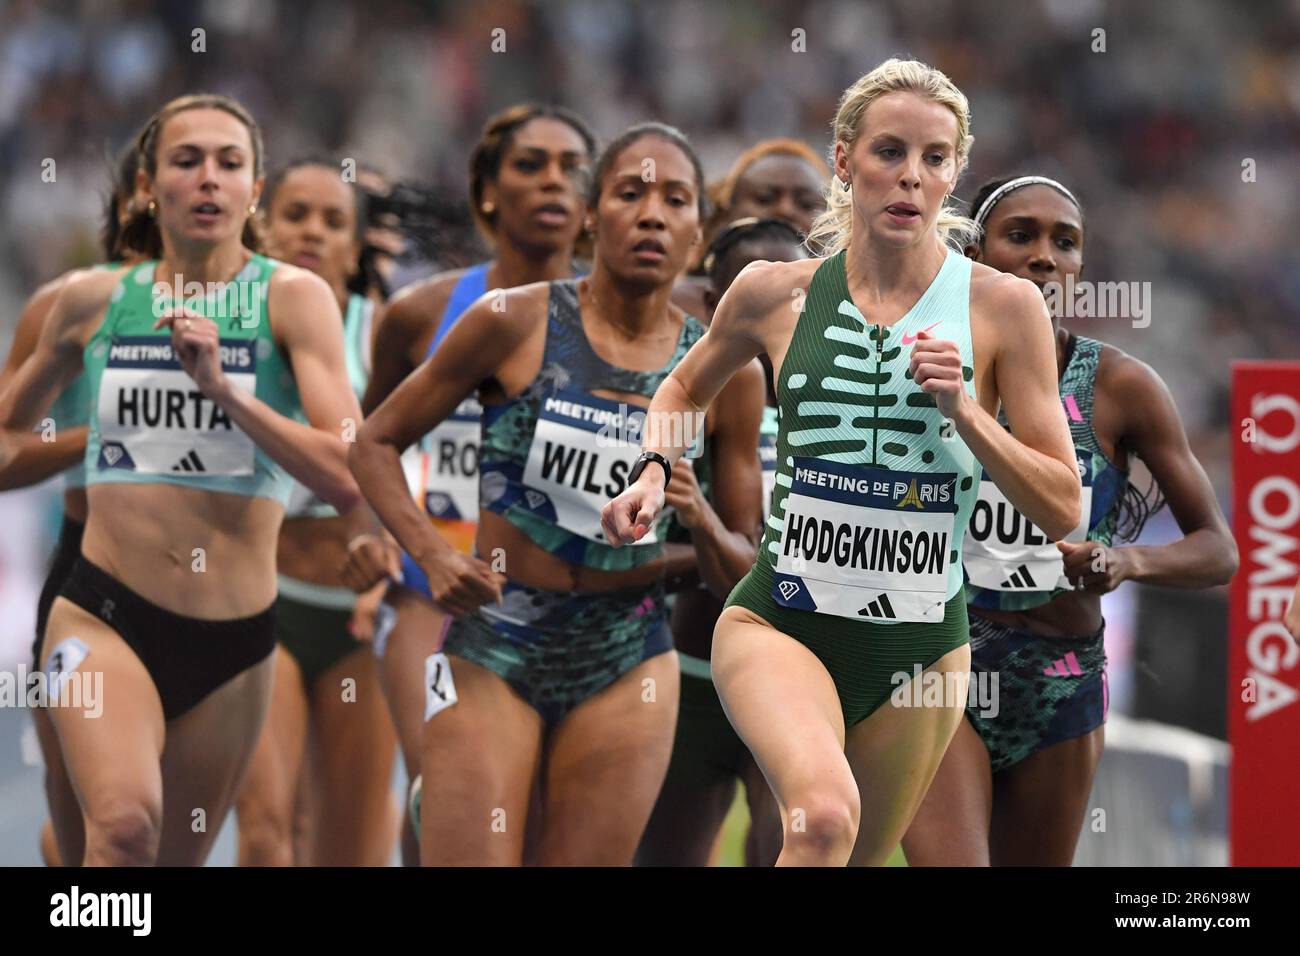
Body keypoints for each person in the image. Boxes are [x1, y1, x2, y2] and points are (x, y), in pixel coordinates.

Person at [602, 59, 1082, 867]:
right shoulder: (771, 291)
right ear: (844, 157)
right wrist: (653, 468)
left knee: (850, 857)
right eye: (889, 152)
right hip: (779, 623)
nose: (910, 178)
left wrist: (965, 411)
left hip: (924, 652)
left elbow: (1062, 505)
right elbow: (684, 385)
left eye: (934, 159)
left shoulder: (1004, 308)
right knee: (821, 821)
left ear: (955, 172)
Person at [352, 121, 764, 865]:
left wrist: (697, 516)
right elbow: (372, 442)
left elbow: (745, 569)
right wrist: (430, 556)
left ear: (698, 230)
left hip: (628, 656)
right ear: (590, 212)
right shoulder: (513, 321)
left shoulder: (725, 370)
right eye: (629, 193)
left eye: (675, 200)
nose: (652, 214)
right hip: (496, 639)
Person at [0, 93, 362, 866]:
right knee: (124, 831)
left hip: (233, 641)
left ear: (253, 190)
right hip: (101, 611)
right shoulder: (88, 303)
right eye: (187, 161)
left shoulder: (294, 300)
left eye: (230, 164)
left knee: (161, 865)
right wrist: (99, 432)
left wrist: (226, 392)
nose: (208, 179)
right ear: (146, 186)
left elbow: (346, 473)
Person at [902, 174, 1238, 866]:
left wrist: (1127, 559)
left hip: (1060, 678)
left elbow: (1218, 550)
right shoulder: (922, 365)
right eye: (1020, 236)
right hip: (939, 666)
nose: (1045, 257)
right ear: (974, 253)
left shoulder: (1122, 387)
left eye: (1066, 242)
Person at [347, 103, 596, 865]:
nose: (552, 182)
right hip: (436, 590)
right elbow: (370, 440)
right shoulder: (422, 315)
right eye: (529, 165)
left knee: (541, 820)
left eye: (571, 168)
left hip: (573, 604)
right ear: (486, 193)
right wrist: (369, 534)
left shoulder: (622, 320)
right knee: (448, 792)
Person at [234, 158, 398, 866]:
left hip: (361, 615)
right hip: (261, 602)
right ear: (262, 226)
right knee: (269, 830)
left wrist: (398, 562)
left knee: (349, 846)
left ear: (357, 246)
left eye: (334, 221)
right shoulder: (227, 329)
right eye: (295, 213)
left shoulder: (385, 332)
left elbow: (415, 464)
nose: (312, 231)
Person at [637, 217, 806, 867]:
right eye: (746, 284)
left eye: (791, 292)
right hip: (693, 665)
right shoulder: (686, 393)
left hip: (797, 670)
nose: (769, 304)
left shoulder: (841, 402)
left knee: (784, 844)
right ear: (714, 302)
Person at [0, 140, 146, 867]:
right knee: (93, 827)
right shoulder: (68, 305)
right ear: (127, 205)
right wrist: (103, 439)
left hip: (225, 591)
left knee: (176, 831)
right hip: (88, 578)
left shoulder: (263, 308)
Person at [672, 139, 828, 320]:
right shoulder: (677, 305)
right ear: (726, 213)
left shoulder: (852, 311)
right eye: (765, 198)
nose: (785, 210)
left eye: (806, 204)